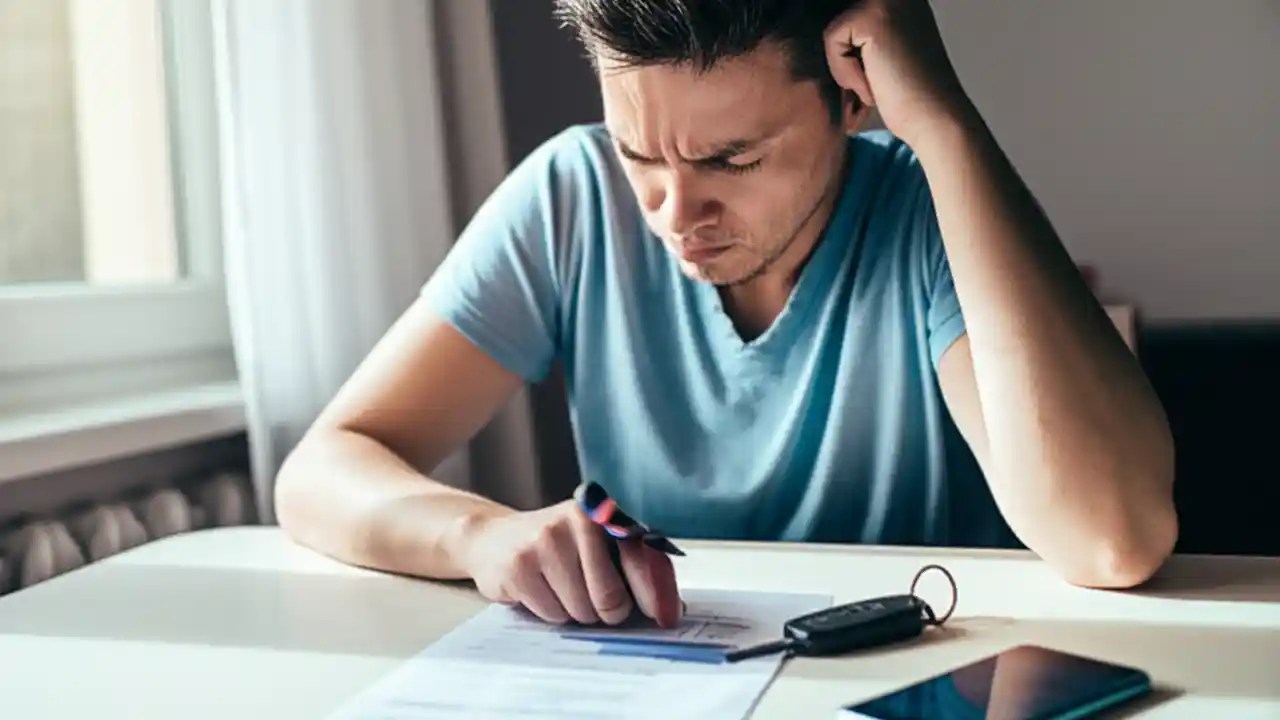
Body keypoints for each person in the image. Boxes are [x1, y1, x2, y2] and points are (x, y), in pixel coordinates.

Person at [275, 0, 1177, 630]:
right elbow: (321, 469)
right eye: (639, 154)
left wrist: (942, 123)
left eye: (732, 160)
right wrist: (480, 535)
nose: (675, 213)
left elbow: (1112, 540)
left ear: (852, 98)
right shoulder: (571, 197)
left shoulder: (932, 213)